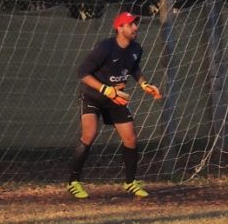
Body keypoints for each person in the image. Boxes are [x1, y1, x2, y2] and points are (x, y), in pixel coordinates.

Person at [67, 11, 163, 199]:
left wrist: (144, 83)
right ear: (119, 28)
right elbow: (83, 73)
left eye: (136, 23)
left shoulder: (136, 49)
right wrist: (106, 89)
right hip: (93, 96)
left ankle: (130, 182)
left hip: (115, 98)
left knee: (131, 138)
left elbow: (134, 68)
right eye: (131, 24)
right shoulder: (105, 47)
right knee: (89, 134)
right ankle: (73, 182)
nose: (135, 27)